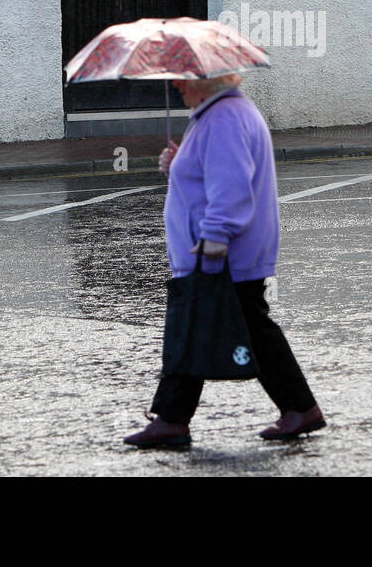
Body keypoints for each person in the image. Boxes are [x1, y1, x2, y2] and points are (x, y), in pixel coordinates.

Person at [124, 72, 325, 448]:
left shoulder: (224, 118)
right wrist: (178, 165)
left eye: (184, 80)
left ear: (207, 80)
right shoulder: (222, 113)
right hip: (225, 253)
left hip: (222, 254)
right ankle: (296, 408)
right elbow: (211, 176)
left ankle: (173, 420)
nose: (178, 86)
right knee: (234, 328)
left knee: (198, 327)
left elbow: (231, 188)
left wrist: (214, 240)